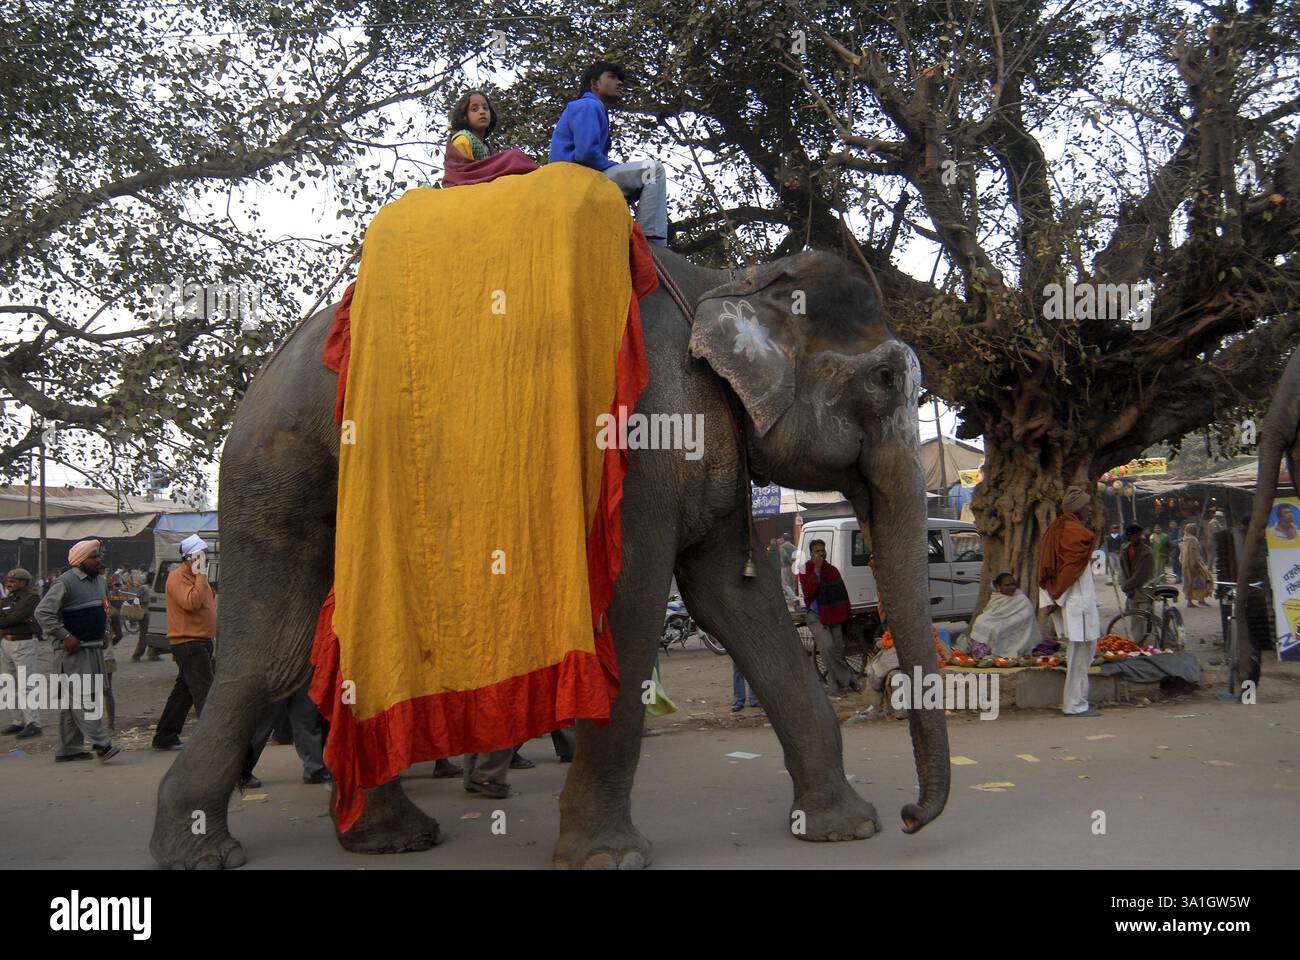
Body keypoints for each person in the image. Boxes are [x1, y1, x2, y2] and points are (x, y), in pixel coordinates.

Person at [548, 60, 668, 246]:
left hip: (574, 179)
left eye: (619, 79)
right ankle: (650, 240)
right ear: (594, 84)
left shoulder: (593, 108)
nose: (618, 83)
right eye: (611, 77)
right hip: (578, 179)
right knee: (653, 170)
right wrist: (616, 167)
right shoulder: (589, 105)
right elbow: (586, 154)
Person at [33, 540, 120, 761]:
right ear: (80, 560)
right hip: (74, 651)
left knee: (77, 701)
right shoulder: (65, 582)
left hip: (94, 648)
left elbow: (103, 610)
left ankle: (69, 749)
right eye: (94, 557)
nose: (99, 560)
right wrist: (65, 636)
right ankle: (102, 744)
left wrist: (105, 633)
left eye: (99, 556)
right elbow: (43, 613)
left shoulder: (100, 581)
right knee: (82, 698)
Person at [1038, 488, 1101, 717]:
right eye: (1085, 506)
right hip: (1077, 604)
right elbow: (1066, 571)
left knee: (1086, 654)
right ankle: (1073, 704)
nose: (1089, 510)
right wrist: (1058, 597)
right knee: (1078, 657)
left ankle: (1081, 699)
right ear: (1076, 509)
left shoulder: (1058, 530)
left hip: (1079, 602)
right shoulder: (1073, 532)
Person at [152, 534, 218, 750]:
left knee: (184, 692)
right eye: (201, 556)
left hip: (201, 641)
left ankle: (165, 736)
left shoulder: (198, 577)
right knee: (204, 691)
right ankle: (210, 739)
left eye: (205, 556)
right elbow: (191, 603)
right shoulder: (177, 578)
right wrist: (200, 576)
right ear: (189, 558)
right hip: (189, 643)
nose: (205, 561)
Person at [798, 538, 861, 698]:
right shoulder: (805, 569)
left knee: (837, 651)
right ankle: (851, 679)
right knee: (827, 648)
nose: (821, 553)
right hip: (815, 616)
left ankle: (834, 687)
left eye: (822, 550)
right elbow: (809, 593)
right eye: (817, 551)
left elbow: (842, 595)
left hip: (834, 616)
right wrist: (817, 572)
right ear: (811, 553)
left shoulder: (832, 570)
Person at [442, 88, 539, 188]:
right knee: (514, 156)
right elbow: (463, 173)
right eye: (474, 109)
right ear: (464, 116)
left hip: (485, 187)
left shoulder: (487, 146)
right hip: (469, 189)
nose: (482, 112)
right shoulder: (463, 139)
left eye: (485, 108)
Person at [0, 567, 42, 739]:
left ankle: (33, 723)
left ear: (23, 582)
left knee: (27, 684)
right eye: (8, 581)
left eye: (13, 581)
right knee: (8, 683)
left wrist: (6, 618)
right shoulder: (9, 598)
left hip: (23, 642)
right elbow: (9, 618)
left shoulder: (31, 598)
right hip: (7, 642)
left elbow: (15, 617)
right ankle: (18, 720)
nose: (9, 584)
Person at [968, 572, 1038, 659]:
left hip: (1014, 625)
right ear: (998, 586)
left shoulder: (1021, 598)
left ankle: (998, 653)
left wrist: (1006, 623)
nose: (1011, 587)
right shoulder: (996, 597)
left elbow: (1027, 615)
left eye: (1013, 584)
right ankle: (982, 653)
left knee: (997, 629)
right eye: (1007, 585)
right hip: (998, 621)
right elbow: (990, 614)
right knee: (980, 620)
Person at [1119, 523, 1156, 637]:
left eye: (1139, 535)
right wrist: (1125, 586)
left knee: (1147, 620)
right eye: (1135, 535)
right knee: (1135, 620)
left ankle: (1150, 646)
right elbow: (1122, 571)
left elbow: (1141, 575)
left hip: (1145, 590)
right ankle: (1137, 644)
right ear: (1130, 536)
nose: (1138, 537)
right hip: (1131, 591)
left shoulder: (1147, 553)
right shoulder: (1124, 549)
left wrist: (1125, 586)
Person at [1179, 523, 1213, 607]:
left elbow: (1181, 555)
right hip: (1194, 564)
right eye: (1194, 528)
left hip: (1185, 565)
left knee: (1188, 583)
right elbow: (1194, 554)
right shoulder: (1193, 540)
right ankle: (1201, 600)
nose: (1196, 530)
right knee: (1202, 582)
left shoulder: (1184, 539)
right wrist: (1197, 565)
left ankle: (1189, 602)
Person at [130, 574, 159, 662]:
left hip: (151, 613)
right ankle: (136, 655)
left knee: (153, 634)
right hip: (144, 613)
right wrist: (146, 601)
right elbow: (137, 600)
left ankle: (152, 654)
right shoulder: (144, 588)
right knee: (144, 635)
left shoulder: (153, 588)